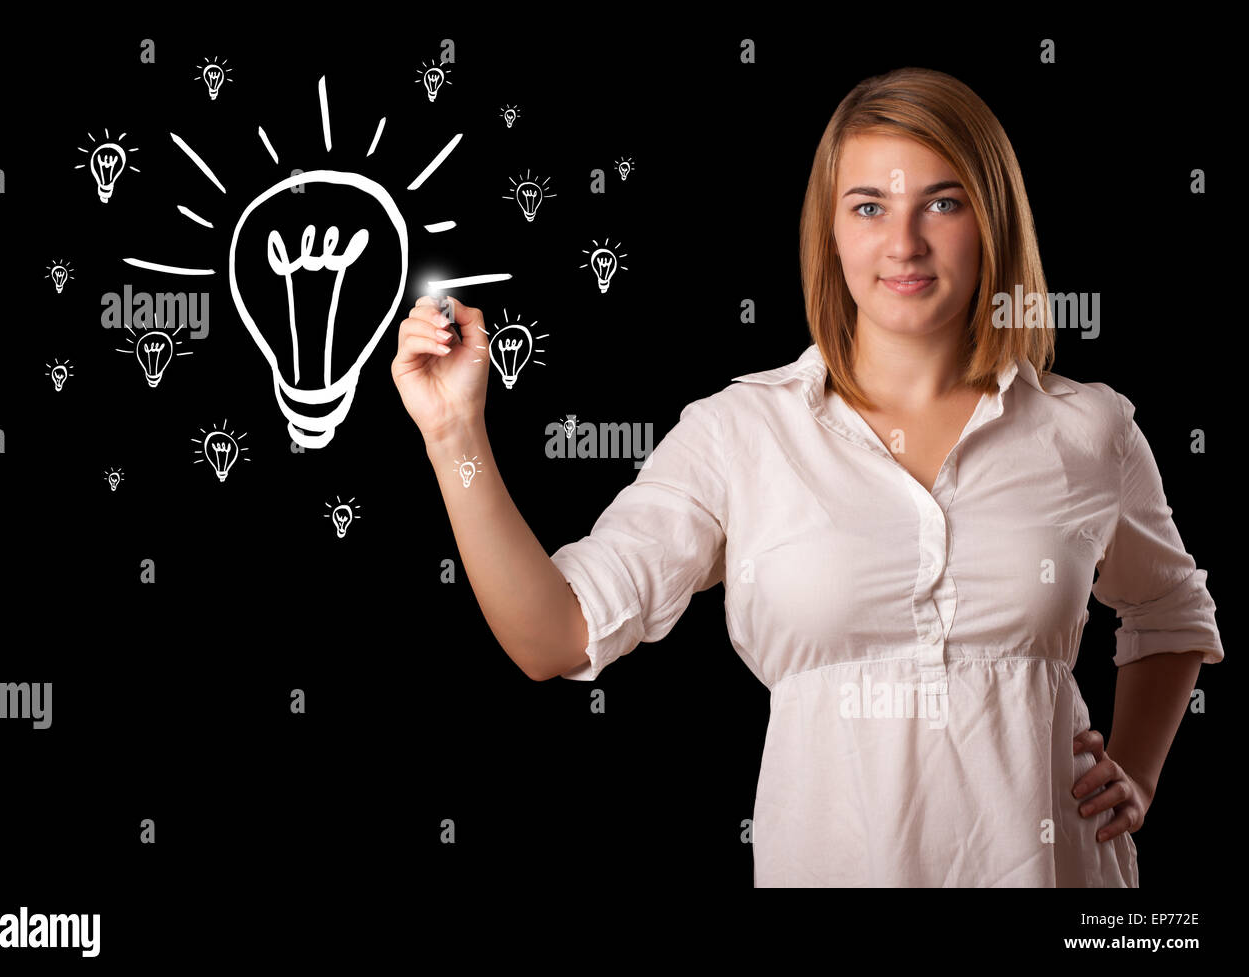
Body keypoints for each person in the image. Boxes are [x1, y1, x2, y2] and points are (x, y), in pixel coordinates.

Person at [391, 67, 1224, 887]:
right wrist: (453, 433)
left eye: (943, 201)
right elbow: (554, 634)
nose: (904, 244)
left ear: (994, 219)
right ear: (830, 230)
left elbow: (1171, 609)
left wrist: (1138, 773)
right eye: (869, 207)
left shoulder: (1089, 427)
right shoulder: (739, 433)